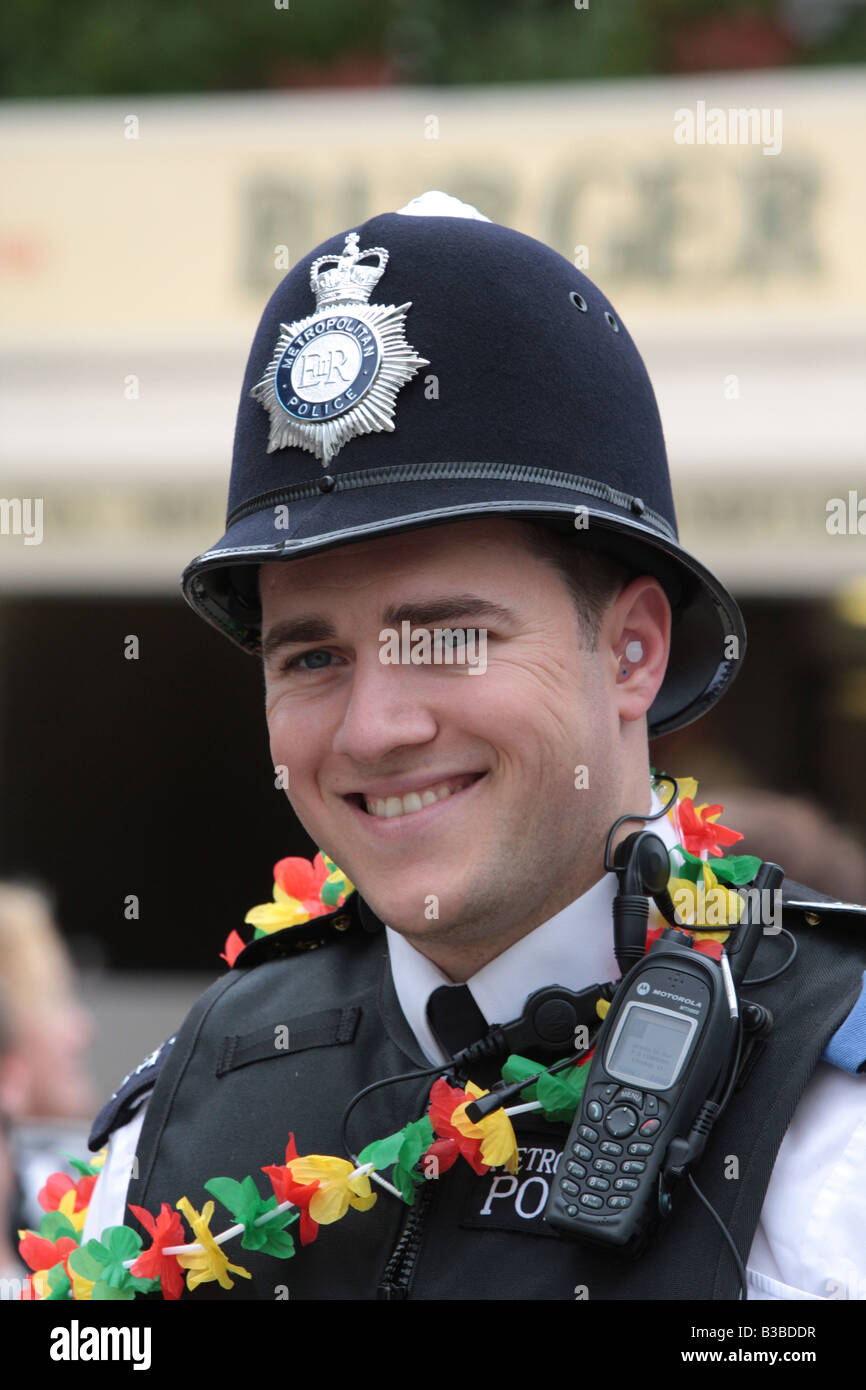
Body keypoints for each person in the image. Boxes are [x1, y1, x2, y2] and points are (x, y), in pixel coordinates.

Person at [79, 191, 866, 1301]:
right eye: (310, 657)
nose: (373, 728)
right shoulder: (175, 1117)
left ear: (633, 648)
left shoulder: (830, 1138)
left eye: (447, 636)